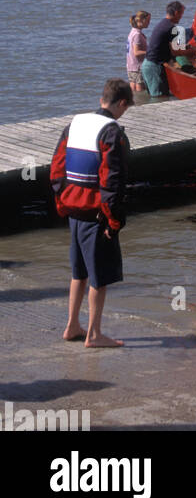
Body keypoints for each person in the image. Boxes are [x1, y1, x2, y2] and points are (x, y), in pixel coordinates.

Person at [51, 77, 133, 348]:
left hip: (74, 212)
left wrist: (62, 202)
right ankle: (94, 334)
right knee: (99, 277)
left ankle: (72, 326)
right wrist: (115, 220)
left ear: (101, 100)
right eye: (126, 107)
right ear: (121, 103)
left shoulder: (73, 125)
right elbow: (112, 180)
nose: (124, 112)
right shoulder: (112, 132)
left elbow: (57, 168)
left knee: (79, 273)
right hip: (96, 214)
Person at [141, 1, 189, 97]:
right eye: (181, 14)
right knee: (159, 99)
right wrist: (191, 52)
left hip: (147, 65)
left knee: (155, 99)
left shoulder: (163, 23)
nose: (181, 16)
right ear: (176, 13)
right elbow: (175, 51)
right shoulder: (171, 28)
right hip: (154, 67)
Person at [125, 10, 150, 93]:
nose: (149, 23)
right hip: (138, 67)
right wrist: (150, 52)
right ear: (141, 21)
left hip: (130, 65)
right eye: (147, 21)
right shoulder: (137, 35)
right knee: (140, 90)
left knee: (133, 89)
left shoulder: (132, 32)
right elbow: (136, 52)